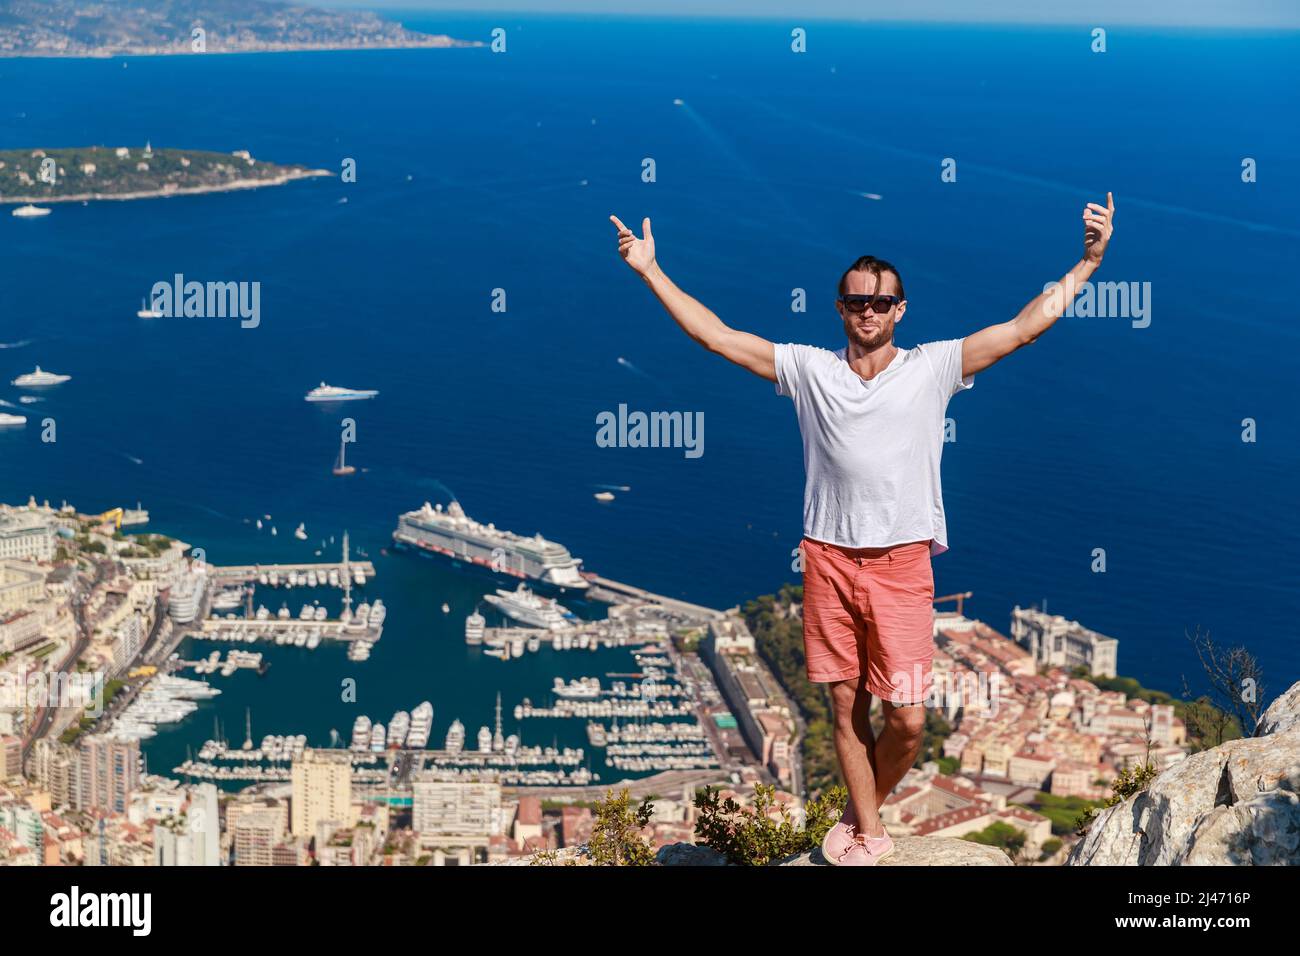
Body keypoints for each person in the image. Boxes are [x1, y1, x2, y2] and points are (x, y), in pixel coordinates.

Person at [609, 193, 1115, 865]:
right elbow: (718, 336)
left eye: (880, 302)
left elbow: (1024, 327)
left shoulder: (933, 368)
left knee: (906, 721)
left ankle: (857, 812)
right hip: (826, 558)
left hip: (902, 563)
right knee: (845, 707)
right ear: (840, 309)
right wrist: (651, 270)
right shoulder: (811, 370)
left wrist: (1088, 262)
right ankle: (869, 836)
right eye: (856, 302)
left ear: (900, 309)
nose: (868, 312)